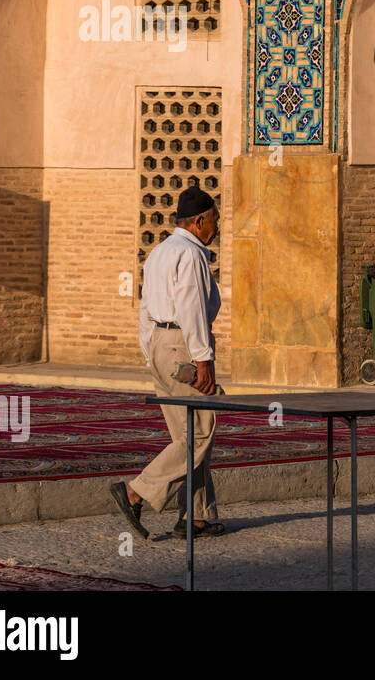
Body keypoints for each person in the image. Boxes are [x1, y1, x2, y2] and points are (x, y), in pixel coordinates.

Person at [110, 185, 225, 539]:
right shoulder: (191, 255)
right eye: (215, 220)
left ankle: (197, 516)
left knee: (187, 436)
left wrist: (151, 353)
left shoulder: (160, 251)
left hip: (162, 345)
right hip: (183, 346)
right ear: (200, 220)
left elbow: (146, 308)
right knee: (200, 432)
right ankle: (136, 492)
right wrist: (202, 359)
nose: (218, 227)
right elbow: (191, 310)